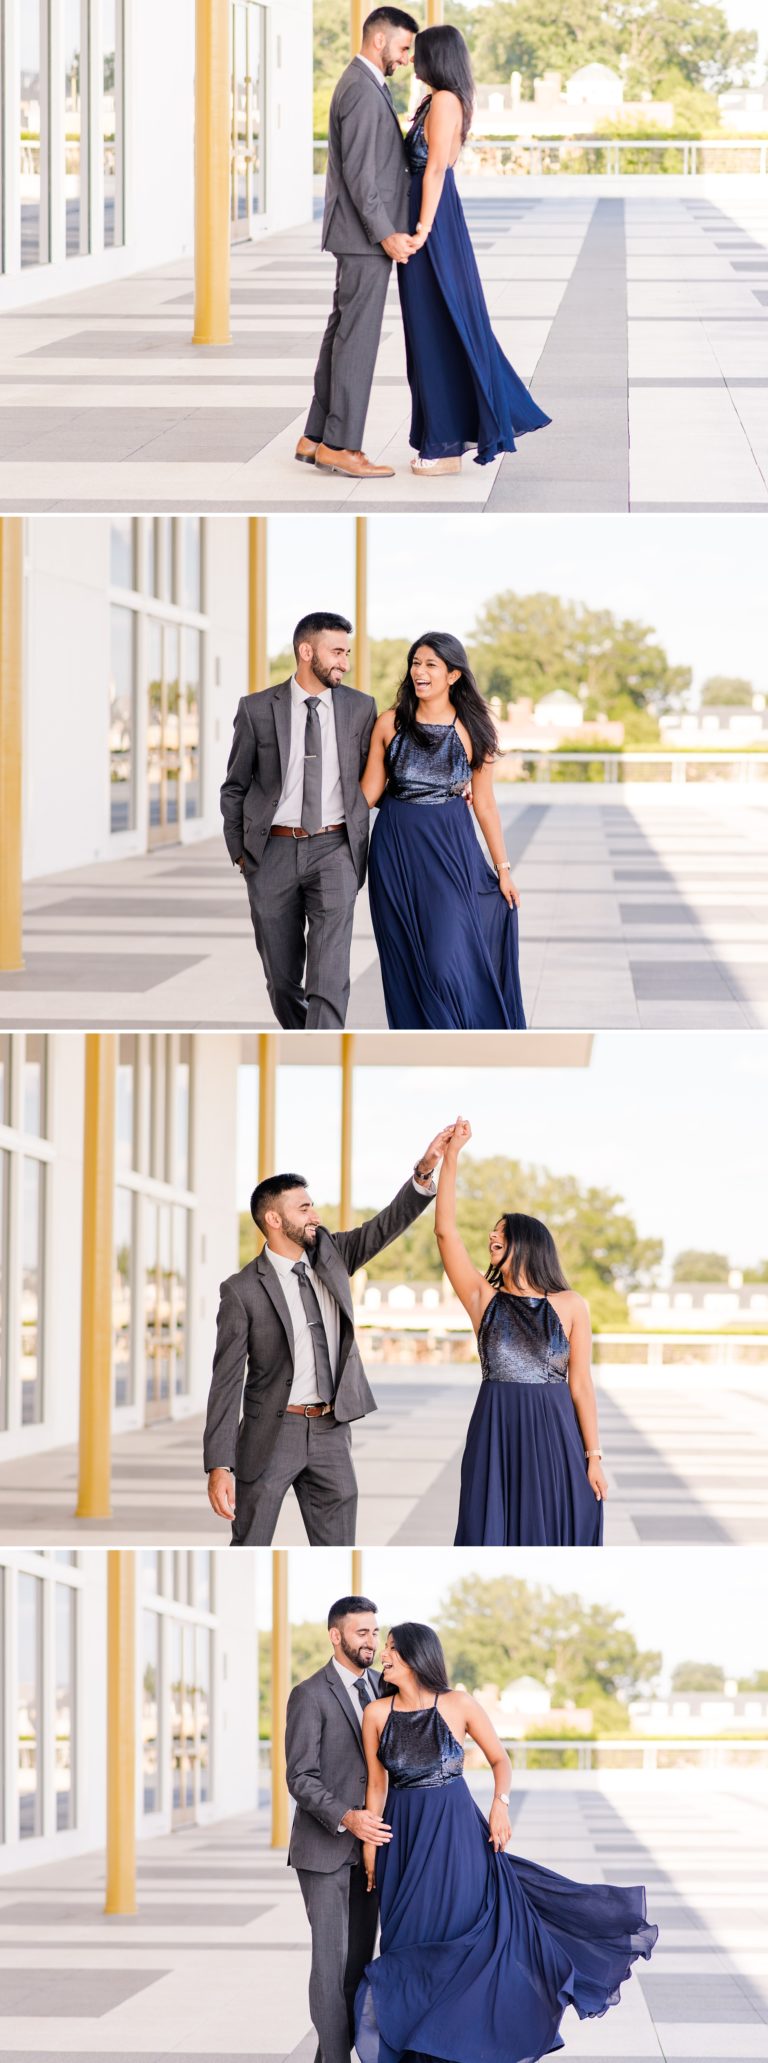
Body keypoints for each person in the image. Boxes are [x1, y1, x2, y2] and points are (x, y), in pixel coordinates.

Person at [355, 1622, 657, 2063]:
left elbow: (500, 1759)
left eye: (393, 1649)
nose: (385, 1656)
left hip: (457, 1836)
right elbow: (377, 1787)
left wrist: (501, 1804)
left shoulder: (458, 1704)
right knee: (404, 1946)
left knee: (461, 1940)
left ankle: (459, 2048)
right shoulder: (376, 1714)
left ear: (417, 1657)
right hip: (402, 1843)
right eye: (386, 1649)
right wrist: (369, 1844)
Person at [203, 1131, 453, 1544]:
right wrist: (219, 1465)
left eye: (312, 1205)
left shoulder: (333, 1255)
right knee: (251, 1543)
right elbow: (226, 1382)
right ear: (274, 1219)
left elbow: (385, 1225)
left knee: (337, 1546)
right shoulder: (241, 1290)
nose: (315, 1215)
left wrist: (425, 1171)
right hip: (271, 1434)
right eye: (304, 1208)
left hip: (331, 1432)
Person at [435, 1117, 608, 1545]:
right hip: (496, 1430)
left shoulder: (571, 1305)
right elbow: (444, 1232)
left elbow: (582, 1385)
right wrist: (451, 1157)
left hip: (555, 1433)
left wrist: (594, 1457)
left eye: (501, 1233)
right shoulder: (483, 1300)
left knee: (554, 1527)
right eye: (492, 1233)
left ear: (527, 1244)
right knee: (489, 1526)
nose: (491, 1237)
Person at [399, 25, 551, 474]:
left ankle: (445, 448)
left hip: (434, 221)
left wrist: (423, 229)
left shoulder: (445, 100)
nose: (410, 59)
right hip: (428, 219)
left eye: (417, 52)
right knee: (432, 327)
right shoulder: (434, 99)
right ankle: (442, 439)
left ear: (435, 57)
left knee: (438, 325)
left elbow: (436, 171)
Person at [220, 612, 376, 1029]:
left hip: (335, 849)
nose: (345, 662)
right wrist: (240, 852)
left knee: (329, 977)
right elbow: (234, 785)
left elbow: (379, 773)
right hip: (272, 852)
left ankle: (319, 1049)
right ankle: (301, 1036)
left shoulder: (361, 708)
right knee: (282, 979)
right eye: (337, 652)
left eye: (347, 652)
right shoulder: (255, 709)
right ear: (307, 652)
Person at [361, 632, 525, 1028]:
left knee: (443, 962)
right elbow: (366, 796)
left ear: (453, 675)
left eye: (430, 664)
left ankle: (460, 1032)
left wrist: (503, 869)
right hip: (395, 850)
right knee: (405, 960)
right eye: (415, 663)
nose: (419, 671)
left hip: (450, 848)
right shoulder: (389, 723)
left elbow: (484, 804)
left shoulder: (475, 730)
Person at [297, 7, 419, 482]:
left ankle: (314, 436)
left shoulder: (360, 84)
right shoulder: (364, 92)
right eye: (404, 48)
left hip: (354, 235)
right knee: (357, 340)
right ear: (379, 41)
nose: (407, 58)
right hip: (365, 238)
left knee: (342, 333)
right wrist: (385, 233)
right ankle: (342, 445)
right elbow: (362, 176)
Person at [286, 1596, 389, 2063]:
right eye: (361, 1632)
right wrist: (346, 1816)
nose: (371, 1640)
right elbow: (300, 1777)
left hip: (367, 1852)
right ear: (336, 1636)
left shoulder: (381, 1689)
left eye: (374, 1631)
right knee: (329, 1967)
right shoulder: (309, 1694)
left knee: (356, 1967)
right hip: (324, 1849)